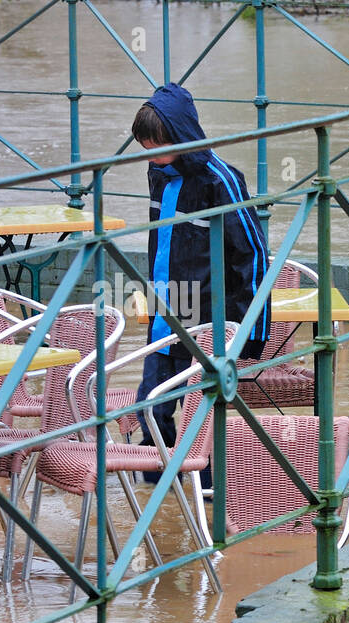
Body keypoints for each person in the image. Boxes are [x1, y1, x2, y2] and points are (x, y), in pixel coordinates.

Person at [131, 83, 271, 485]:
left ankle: (205, 484)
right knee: (151, 402)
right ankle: (160, 480)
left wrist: (251, 329)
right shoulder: (159, 172)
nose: (154, 157)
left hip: (208, 315)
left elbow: (253, 253)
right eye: (146, 148)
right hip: (169, 306)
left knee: (202, 406)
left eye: (160, 146)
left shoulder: (221, 180)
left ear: (182, 136)